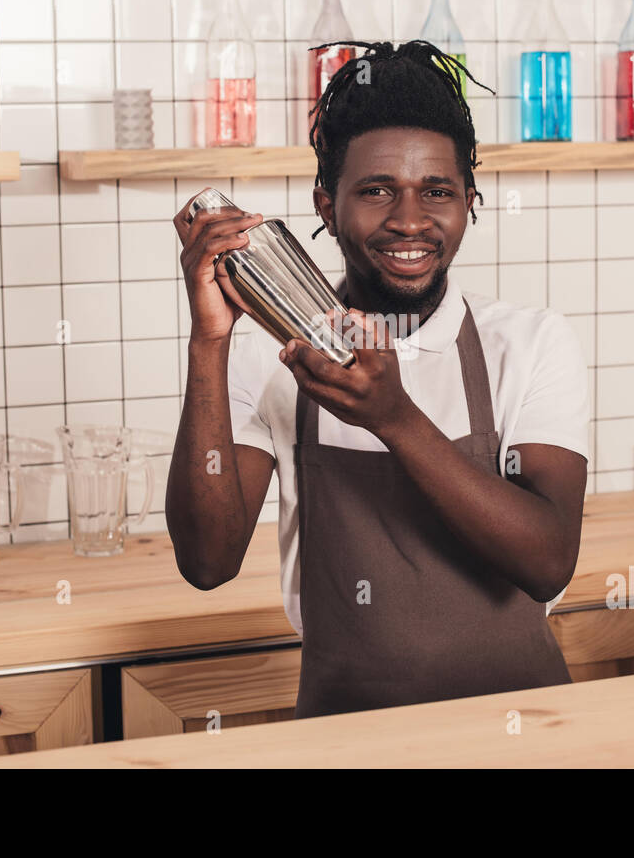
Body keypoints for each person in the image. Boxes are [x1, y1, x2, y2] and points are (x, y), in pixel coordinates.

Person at [165, 40, 589, 718]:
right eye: (376, 190)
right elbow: (207, 562)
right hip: (345, 742)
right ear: (327, 206)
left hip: (523, 736)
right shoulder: (267, 360)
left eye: (437, 191)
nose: (410, 220)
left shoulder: (531, 344)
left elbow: (547, 559)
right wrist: (209, 342)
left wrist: (395, 419)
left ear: (470, 202)